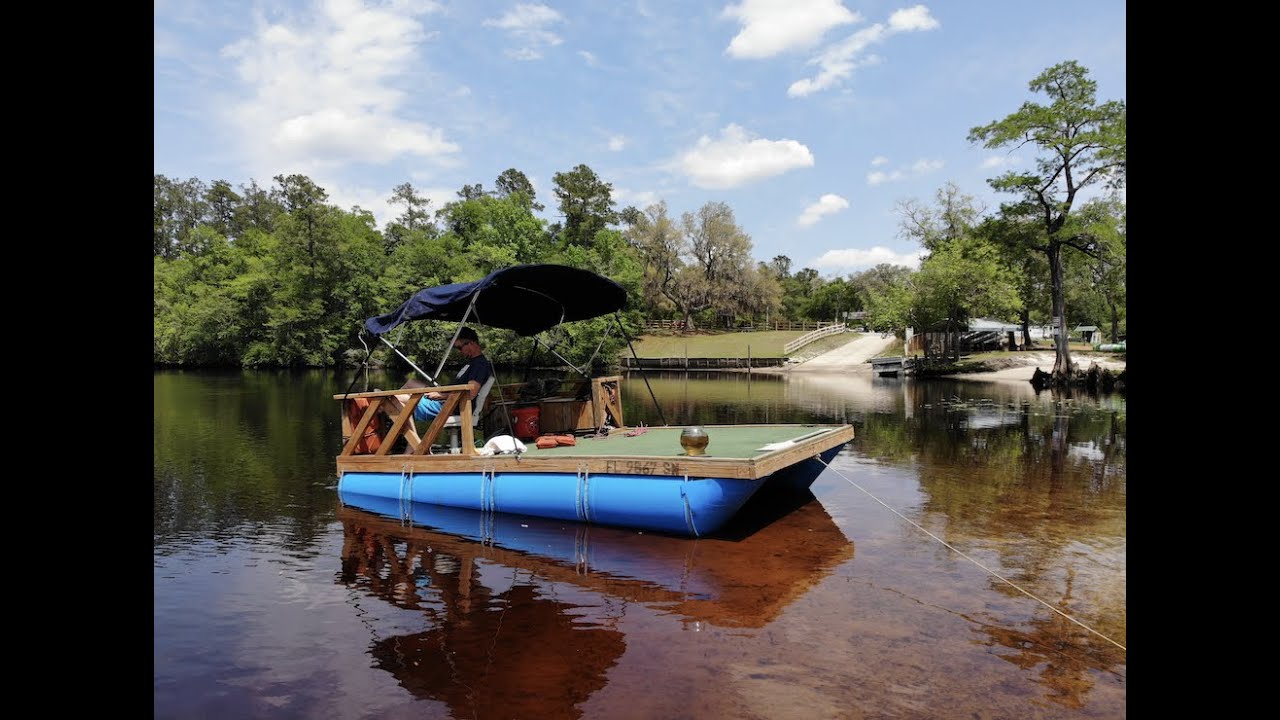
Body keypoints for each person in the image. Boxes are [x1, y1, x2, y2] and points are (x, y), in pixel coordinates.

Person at [389, 327, 493, 423]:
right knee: (411, 382)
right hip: (447, 399)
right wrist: (440, 391)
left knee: (394, 399)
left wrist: (442, 395)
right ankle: (396, 416)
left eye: (459, 347)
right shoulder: (472, 363)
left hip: (450, 405)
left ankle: (410, 439)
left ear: (471, 343)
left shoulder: (479, 365)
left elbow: (470, 394)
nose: (459, 351)